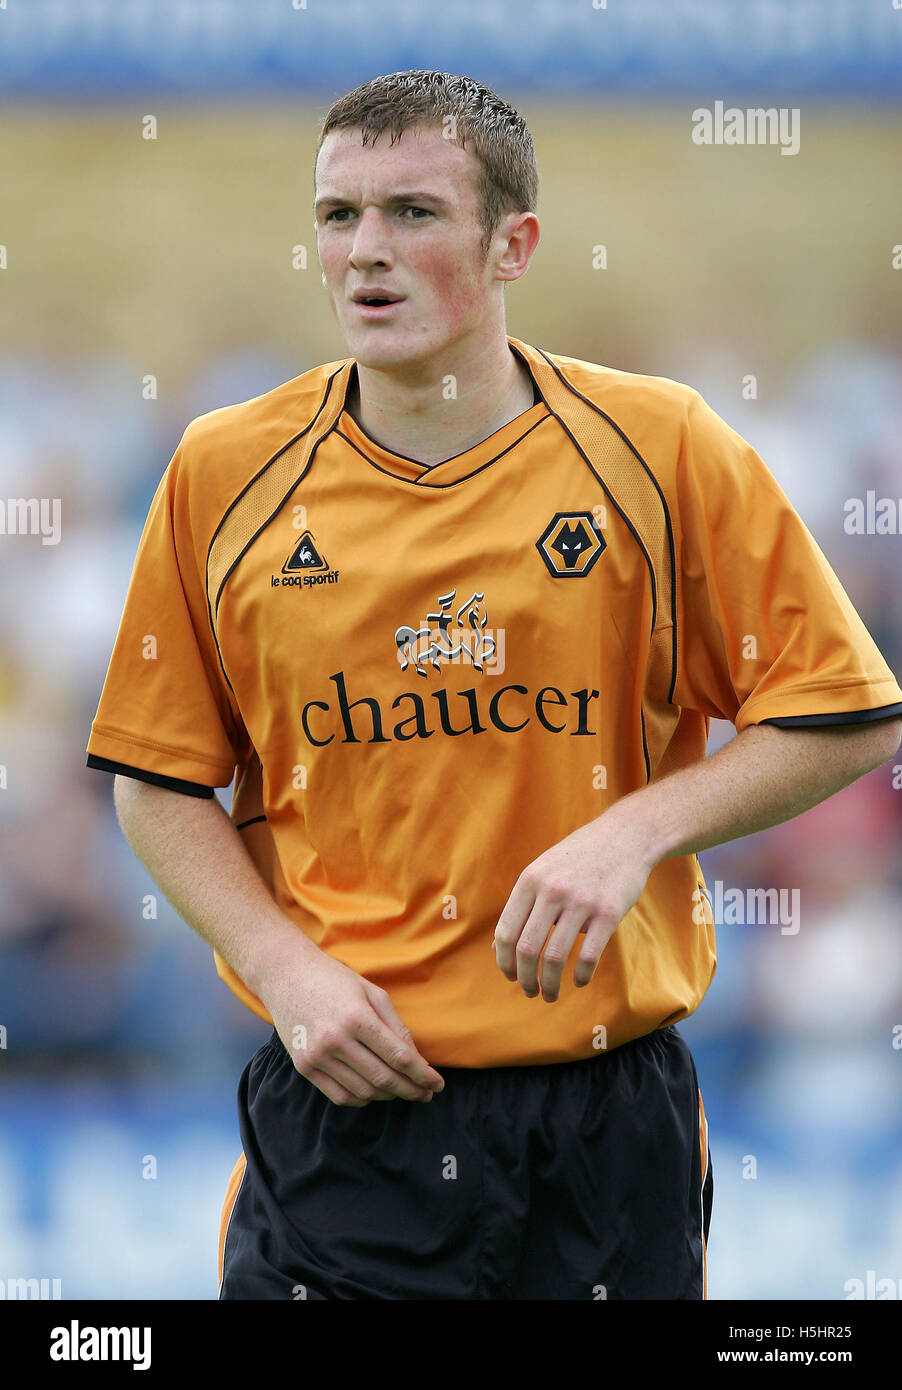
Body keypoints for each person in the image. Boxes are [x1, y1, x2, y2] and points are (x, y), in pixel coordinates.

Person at [86, 69, 902, 1301]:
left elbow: (842, 714)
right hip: (347, 1115)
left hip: (601, 1117)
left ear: (511, 242)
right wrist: (286, 971)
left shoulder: (661, 445)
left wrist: (634, 829)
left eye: (412, 213)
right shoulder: (223, 470)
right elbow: (155, 784)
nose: (365, 251)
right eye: (336, 215)